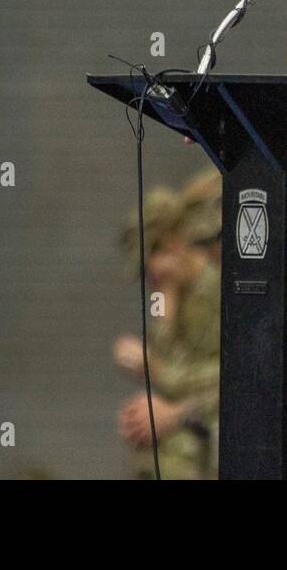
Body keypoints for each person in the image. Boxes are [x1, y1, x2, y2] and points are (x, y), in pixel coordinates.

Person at [114, 178, 221, 479]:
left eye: (151, 266)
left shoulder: (219, 287)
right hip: (196, 418)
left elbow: (233, 379)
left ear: (173, 246)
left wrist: (158, 372)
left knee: (177, 459)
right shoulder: (169, 295)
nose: (151, 279)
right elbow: (170, 379)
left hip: (218, 421)